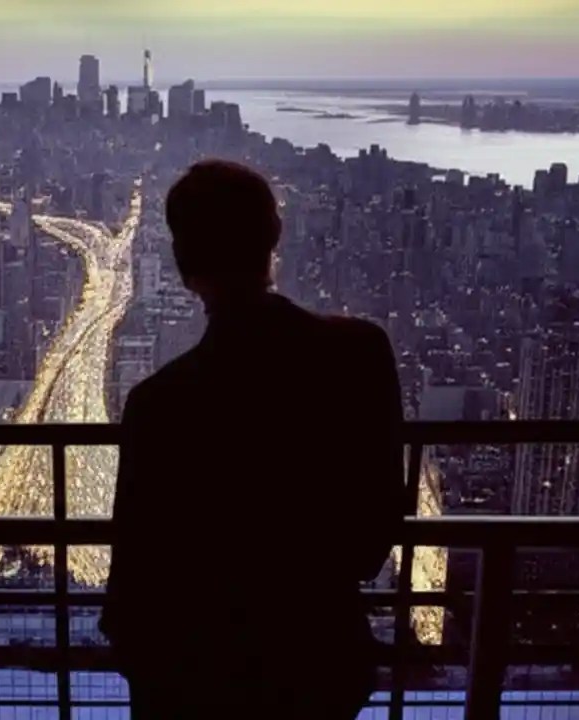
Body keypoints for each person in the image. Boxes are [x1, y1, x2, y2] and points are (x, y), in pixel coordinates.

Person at [100, 159, 406, 718]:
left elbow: (133, 592)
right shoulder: (359, 356)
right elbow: (371, 543)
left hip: (198, 681)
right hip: (319, 667)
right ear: (273, 238)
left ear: (183, 265)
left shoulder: (159, 406)